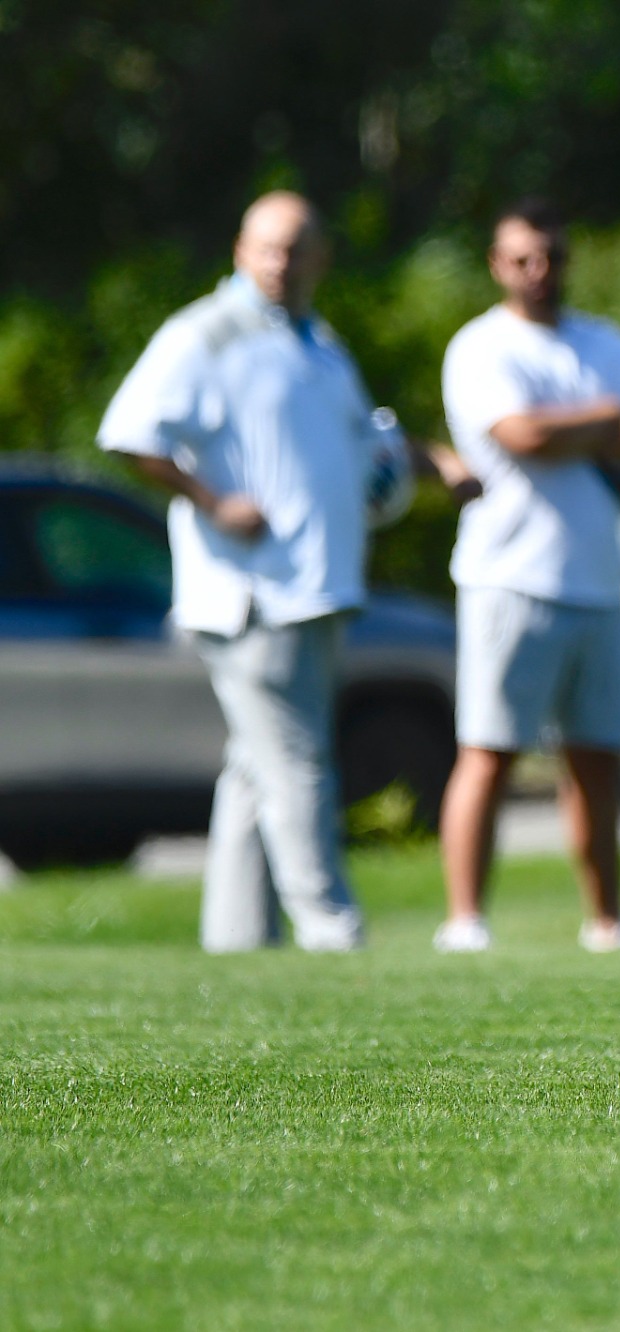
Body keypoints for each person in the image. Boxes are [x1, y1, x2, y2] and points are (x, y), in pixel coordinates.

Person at [98, 192, 416, 952]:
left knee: (257, 769)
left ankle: (236, 942)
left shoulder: (321, 345)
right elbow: (129, 432)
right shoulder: (205, 333)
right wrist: (212, 500)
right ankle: (331, 929)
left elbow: (361, 453)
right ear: (240, 250)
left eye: (294, 248)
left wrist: (395, 474)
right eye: (265, 247)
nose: (278, 263)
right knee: (299, 766)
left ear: (319, 258)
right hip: (251, 593)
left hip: (317, 587)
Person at [432, 199, 620, 954]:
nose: (539, 273)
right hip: (509, 576)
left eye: (551, 258)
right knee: (489, 751)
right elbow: (523, 435)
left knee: (598, 754)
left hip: (598, 580)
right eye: (521, 260)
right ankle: (465, 920)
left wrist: (584, 423)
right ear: (497, 265)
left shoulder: (606, 341)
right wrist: (610, 419)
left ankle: (607, 920)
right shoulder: (481, 347)